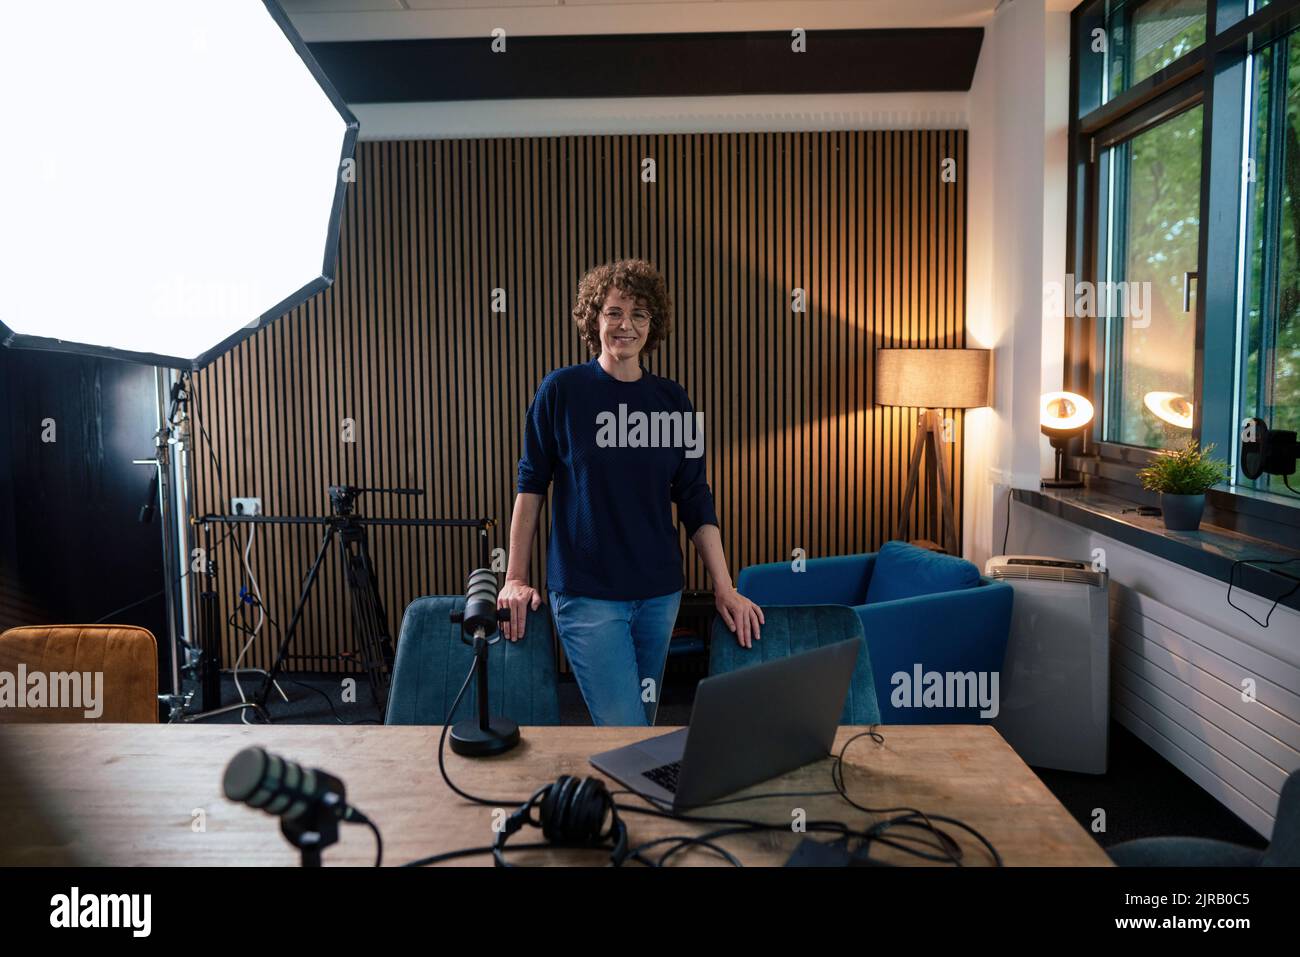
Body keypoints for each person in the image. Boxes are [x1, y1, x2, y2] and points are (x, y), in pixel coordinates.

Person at [497, 258, 763, 725]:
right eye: (614, 312)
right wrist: (515, 577)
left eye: (639, 314)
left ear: (652, 325)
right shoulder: (561, 391)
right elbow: (531, 485)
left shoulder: (673, 399)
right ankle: (623, 797)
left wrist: (725, 586)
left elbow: (695, 496)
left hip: (660, 594)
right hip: (587, 594)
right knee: (625, 728)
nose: (626, 325)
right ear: (593, 319)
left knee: (640, 721)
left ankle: (622, 796)